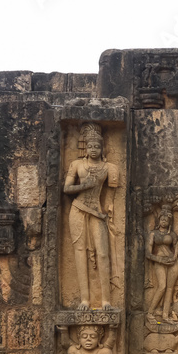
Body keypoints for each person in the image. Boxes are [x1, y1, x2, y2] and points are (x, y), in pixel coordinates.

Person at [64, 123, 119, 311]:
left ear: (102, 148)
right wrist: (85, 185)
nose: (94, 149)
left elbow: (111, 196)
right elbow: (67, 189)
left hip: (97, 212)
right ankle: (85, 299)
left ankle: (106, 301)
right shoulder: (77, 165)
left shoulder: (109, 167)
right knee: (80, 254)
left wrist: (107, 212)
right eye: (91, 146)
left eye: (97, 146)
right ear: (85, 148)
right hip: (78, 209)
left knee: (103, 254)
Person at [147, 203, 178, 320]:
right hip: (159, 261)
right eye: (162, 219)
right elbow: (148, 254)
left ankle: (165, 315)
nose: (164, 221)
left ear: (170, 222)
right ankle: (150, 312)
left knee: (170, 289)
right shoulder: (153, 234)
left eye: (167, 219)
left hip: (172, 262)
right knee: (162, 286)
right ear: (159, 220)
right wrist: (159, 259)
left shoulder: (172, 235)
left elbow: (177, 253)